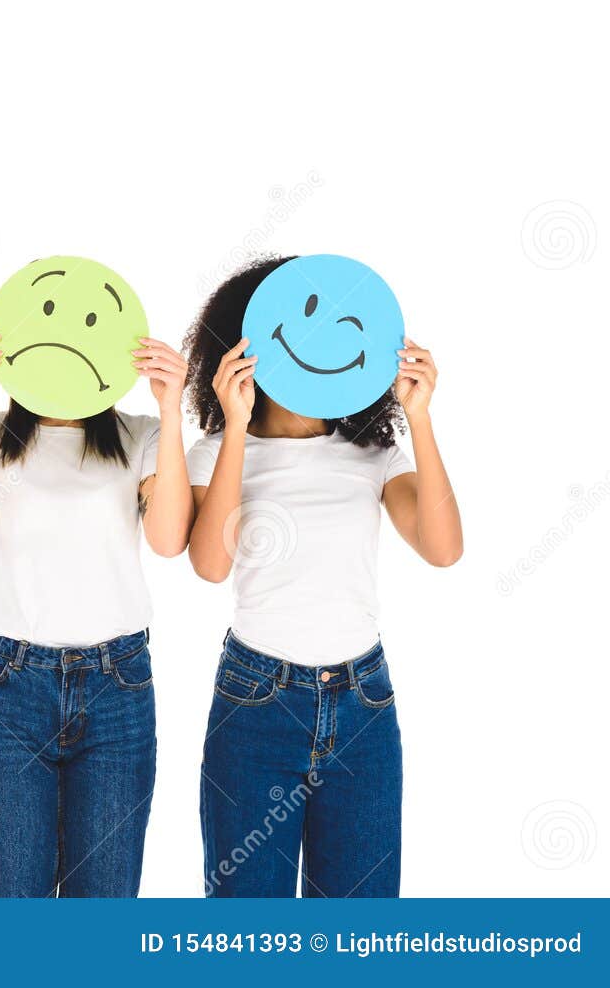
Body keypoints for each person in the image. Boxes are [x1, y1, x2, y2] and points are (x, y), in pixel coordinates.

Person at [184, 256, 462, 898]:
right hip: (256, 703)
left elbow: (443, 549)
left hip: (362, 702)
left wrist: (419, 418)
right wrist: (234, 427)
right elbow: (209, 564)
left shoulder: (373, 455)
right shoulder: (215, 453)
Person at [0, 317, 193, 896]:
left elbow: (169, 538)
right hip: (8, 686)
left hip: (117, 686)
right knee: (12, 896)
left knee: (105, 898)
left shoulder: (142, 434)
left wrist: (174, 410)